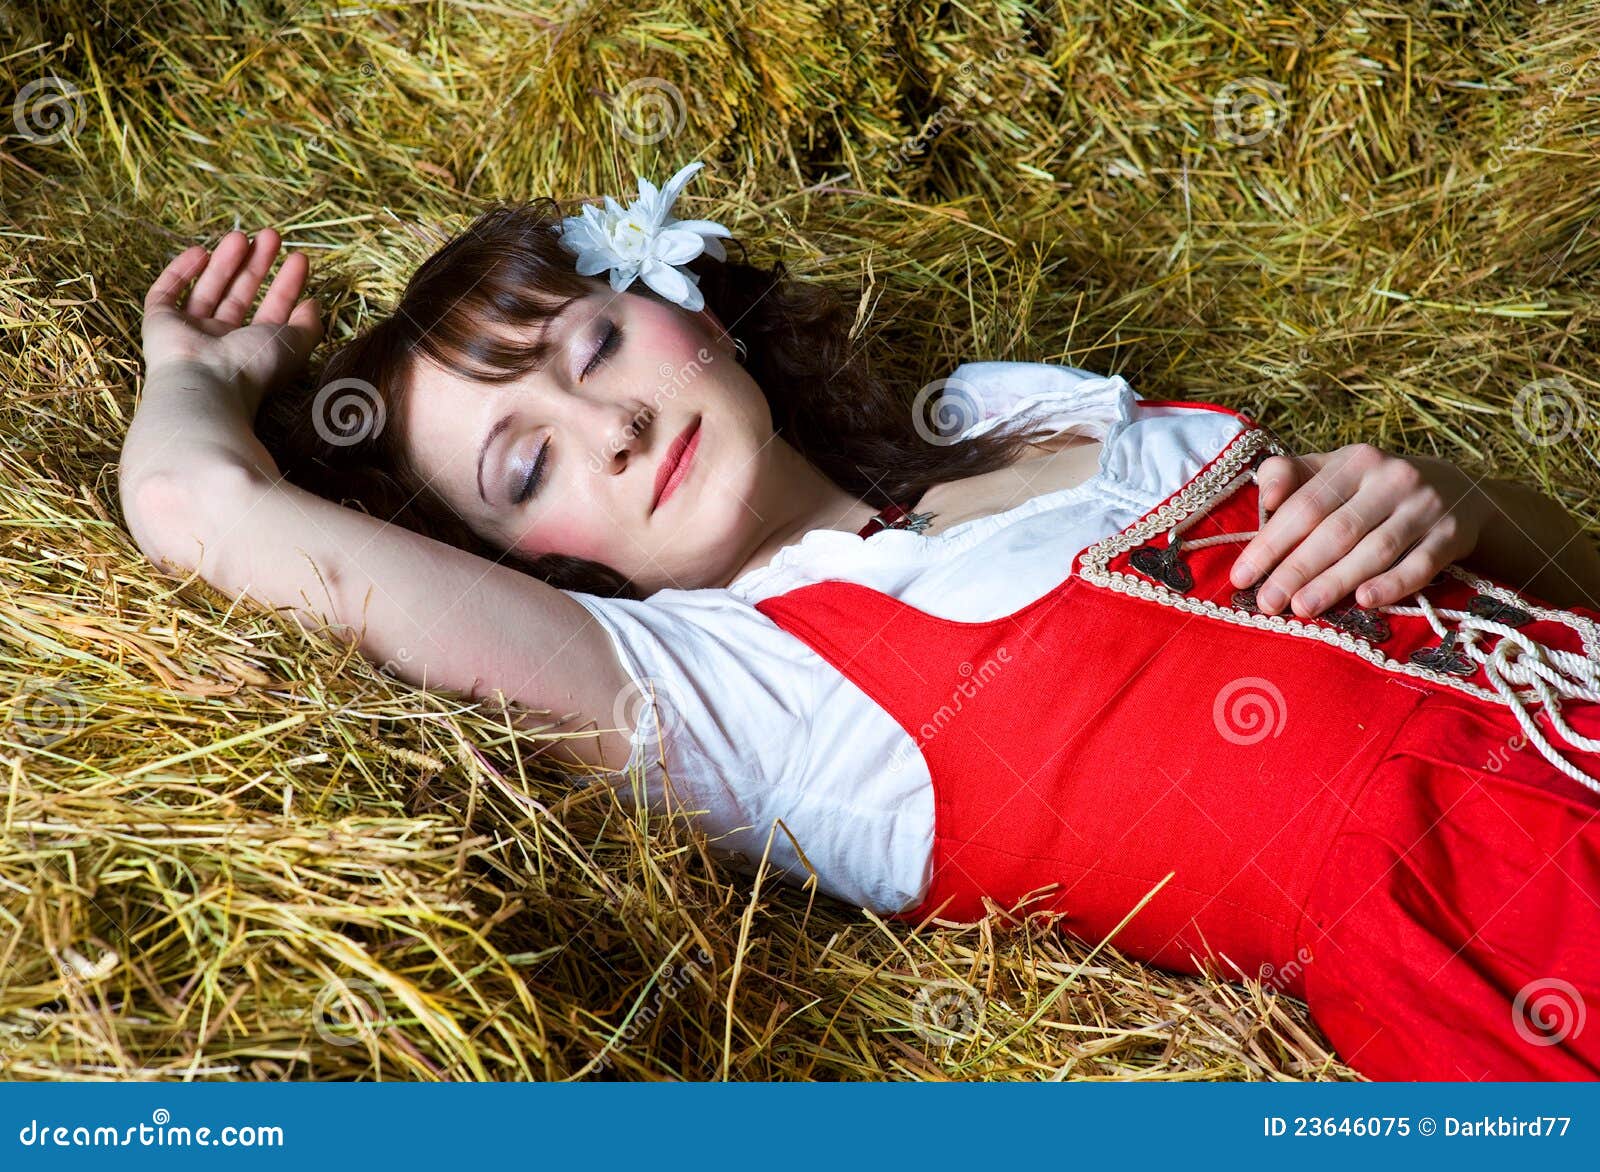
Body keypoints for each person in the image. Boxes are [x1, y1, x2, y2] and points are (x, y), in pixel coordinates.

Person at [121, 163, 1600, 1081]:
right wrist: (197, 378)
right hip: (1524, 952)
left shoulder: (1010, 413)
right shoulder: (741, 698)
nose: (612, 423)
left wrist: (1460, 502)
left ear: (689, 311)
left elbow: (1559, 577)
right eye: (528, 468)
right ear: (531, 568)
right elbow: (200, 507)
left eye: (594, 343)